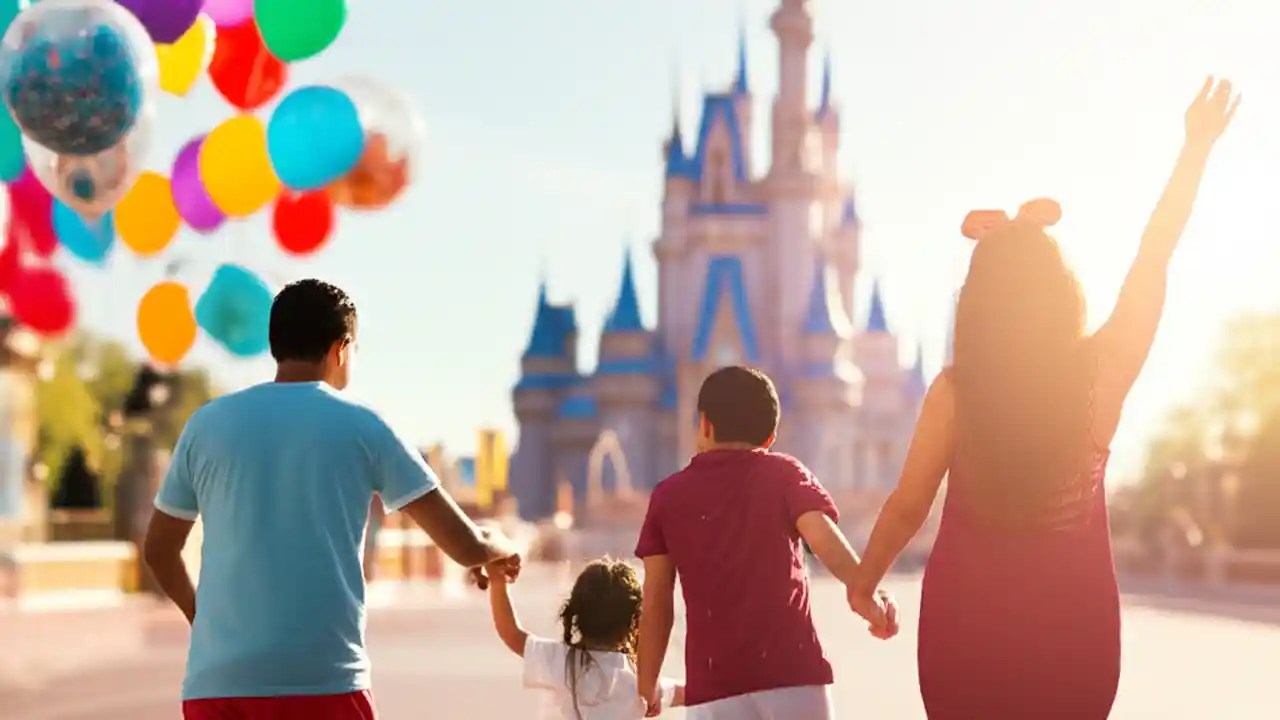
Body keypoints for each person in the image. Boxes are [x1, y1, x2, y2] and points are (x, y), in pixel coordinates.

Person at [849, 78, 1240, 719]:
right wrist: (1194, 151)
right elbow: (1153, 257)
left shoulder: (956, 393)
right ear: (1062, 290)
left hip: (964, 642)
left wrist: (865, 584)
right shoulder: (1102, 374)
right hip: (1075, 642)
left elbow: (908, 504)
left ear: (977, 305)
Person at [143, 279, 522, 720]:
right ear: (341, 349)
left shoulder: (206, 425)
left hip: (218, 685)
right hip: (324, 682)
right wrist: (500, 546)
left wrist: (202, 619)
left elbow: (159, 549)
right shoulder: (364, 426)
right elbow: (465, 546)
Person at [634, 366, 896, 720]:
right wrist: (864, 591)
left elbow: (657, 601)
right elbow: (822, 537)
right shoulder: (785, 474)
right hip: (794, 679)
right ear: (771, 436)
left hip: (714, 689)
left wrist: (646, 683)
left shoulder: (667, 496)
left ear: (704, 425)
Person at [483, 556, 684, 719]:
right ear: (634, 621)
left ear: (576, 612)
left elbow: (510, 633)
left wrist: (498, 581)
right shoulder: (641, 682)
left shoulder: (557, 659)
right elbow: (691, 693)